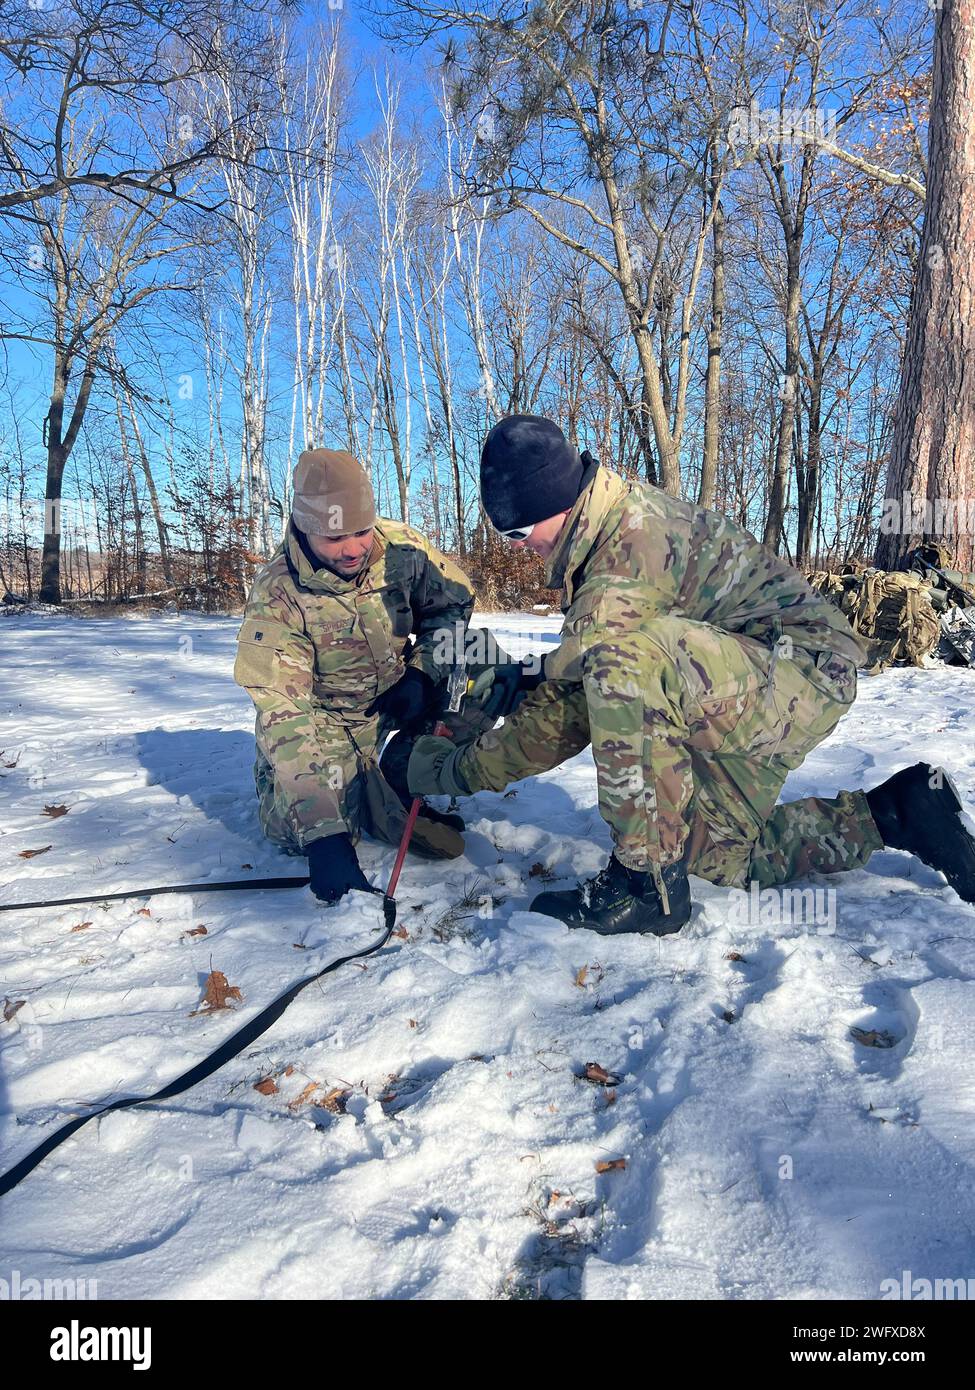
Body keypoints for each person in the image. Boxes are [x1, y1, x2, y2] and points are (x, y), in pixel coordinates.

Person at [407, 414, 975, 935]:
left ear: (551, 504)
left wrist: (446, 770)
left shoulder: (626, 553)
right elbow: (579, 679)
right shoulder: (605, 524)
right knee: (715, 857)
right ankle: (901, 812)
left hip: (797, 677)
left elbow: (570, 714)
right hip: (740, 681)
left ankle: (646, 887)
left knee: (623, 666)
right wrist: (528, 680)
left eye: (515, 533)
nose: (522, 548)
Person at [234, 448, 486, 904]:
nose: (352, 549)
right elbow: (284, 712)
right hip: (326, 722)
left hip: (398, 691)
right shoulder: (277, 594)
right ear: (304, 527)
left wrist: (424, 673)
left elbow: (452, 605)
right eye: (334, 538)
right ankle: (369, 798)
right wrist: (324, 835)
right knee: (297, 832)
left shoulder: (400, 547)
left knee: (486, 661)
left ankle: (402, 771)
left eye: (360, 531)